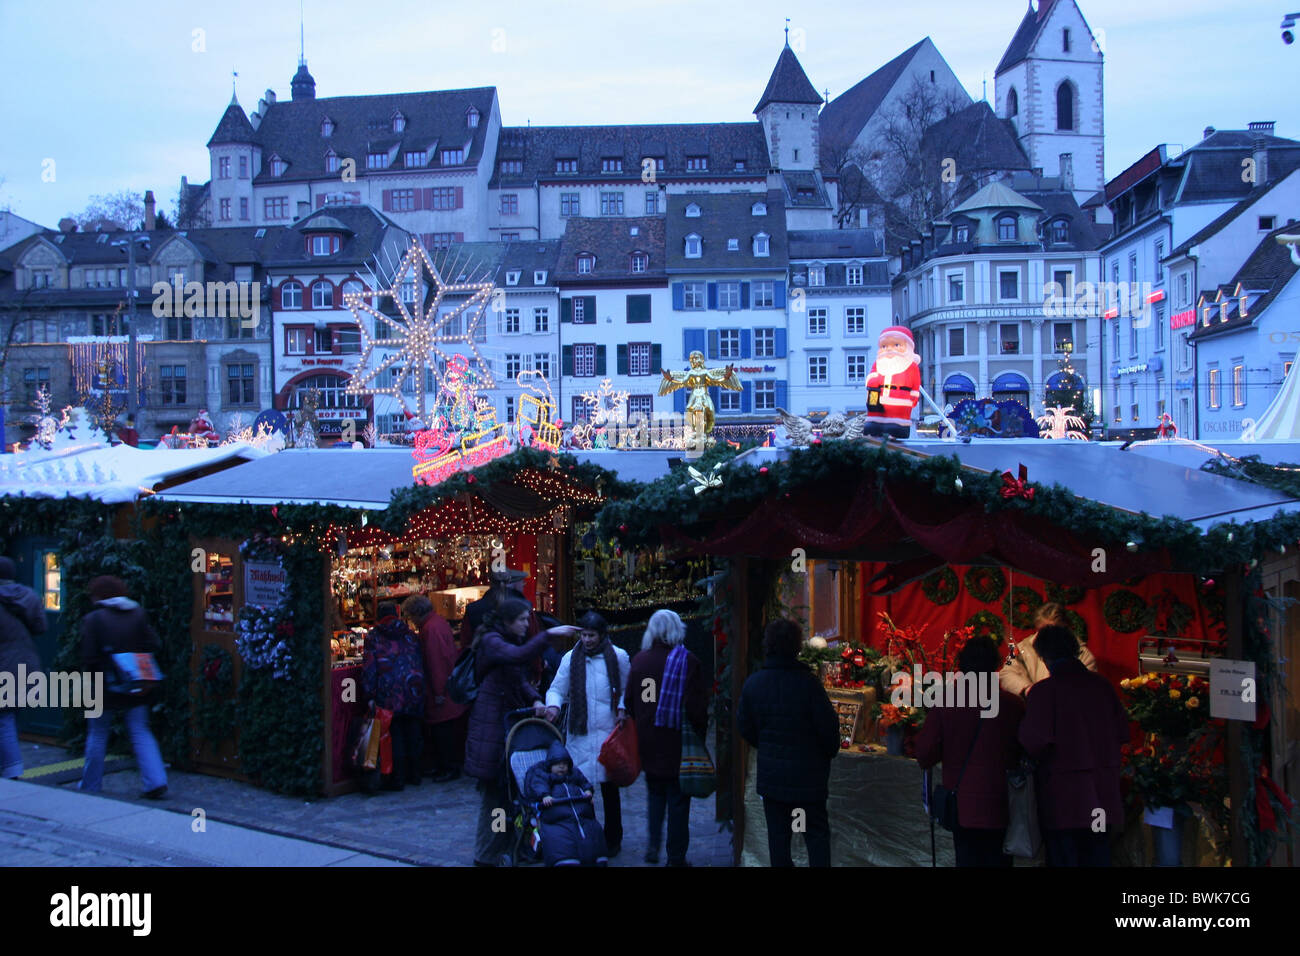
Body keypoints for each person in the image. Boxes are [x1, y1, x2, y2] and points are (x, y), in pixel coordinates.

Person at [464, 597, 578, 866]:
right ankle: (485, 856)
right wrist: (549, 635)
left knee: (505, 797)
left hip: (503, 725)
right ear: (507, 621)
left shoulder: (505, 641)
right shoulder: (494, 642)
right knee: (494, 798)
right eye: (523, 620)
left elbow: (516, 677)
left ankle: (503, 849)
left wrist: (536, 700)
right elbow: (517, 658)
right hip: (490, 729)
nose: (528, 625)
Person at [1018, 625, 1129, 867]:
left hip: (1063, 800)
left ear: (1044, 656)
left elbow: (1033, 742)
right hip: (1100, 797)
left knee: (1064, 857)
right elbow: (1123, 732)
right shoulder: (1102, 687)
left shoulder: (1044, 692)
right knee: (1097, 853)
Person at [914, 636, 1026, 867]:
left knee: (966, 858)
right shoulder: (1013, 705)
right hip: (1000, 804)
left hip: (962, 804)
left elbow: (924, 753)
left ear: (962, 666)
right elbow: (1026, 750)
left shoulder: (947, 702)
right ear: (995, 665)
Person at [737, 618, 840, 867]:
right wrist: (825, 753)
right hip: (808, 782)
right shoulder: (809, 684)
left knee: (779, 842)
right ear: (796, 646)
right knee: (814, 839)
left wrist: (769, 747)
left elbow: (745, 727)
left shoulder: (754, 684)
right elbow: (829, 730)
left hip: (775, 782)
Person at [623, 608, 708, 866]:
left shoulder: (640, 661)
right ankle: (676, 856)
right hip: (678, 740)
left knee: (655, 794)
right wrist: (700, 737)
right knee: (679, 800)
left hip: (649, 738)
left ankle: (652, 846)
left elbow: (629, 703)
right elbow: (696, 706)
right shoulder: (688, 660)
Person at [543, 610, 630, 856]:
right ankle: (588, 835)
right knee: (582, 790)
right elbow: (557, 689)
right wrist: (553, 705)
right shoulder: (570, 659)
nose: (588, 640)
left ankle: (613, 839)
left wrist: (623, 707)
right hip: (580, 733)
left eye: (592, 635)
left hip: (608, 733)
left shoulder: (619, 657)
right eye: (584, 635)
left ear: (602, 635)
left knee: (610, 790)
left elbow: (628, 688)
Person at [78, 576, 167, 798]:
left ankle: (90, 785)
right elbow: (154, 643)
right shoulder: (137, 613)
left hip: (102, 683)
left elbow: (88, 656)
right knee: (140, 730)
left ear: (98, 595)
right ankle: (155, 781)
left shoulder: (94, 619)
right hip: (136, 680)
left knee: (98, 733)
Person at [361, 602, 426, 791]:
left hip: (389, 692)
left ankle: (398, 777)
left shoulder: (374, 637)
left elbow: (370, 668)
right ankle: (415, 774)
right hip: (413, 688)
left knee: (394, 734)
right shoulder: (410, 634)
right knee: (413, 731)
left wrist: (369, 694)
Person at [402, 595, 467, 782]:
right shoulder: (437, 623)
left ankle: (447, 767)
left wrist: (439, 691)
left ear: (417, 613)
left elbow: (435, 661)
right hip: (446, 686)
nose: (411, 621)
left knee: (442, 731)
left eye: (411, 616)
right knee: (445, 730)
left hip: (440, 690)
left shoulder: (429, 630)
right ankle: (446, 766)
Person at [523, 741, 608, 867]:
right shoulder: (543, 776)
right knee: (560, 836)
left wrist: (588, 790)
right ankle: (566, 860)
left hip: (579, 811)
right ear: (550, 766)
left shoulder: (573, 774)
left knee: (592, 829)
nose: (562, 767)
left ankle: (597, 858)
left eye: (564, 764)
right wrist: (545, 795)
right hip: (556, 814)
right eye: (558, 764)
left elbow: (584, 782)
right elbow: (538, 785)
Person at [0, 557, 45, 779]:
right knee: (11, 714)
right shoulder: (29, 596)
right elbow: (41, 626)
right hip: (27, 662)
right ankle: (9, 763)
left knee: (4, 716)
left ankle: (12, 769)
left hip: (4, 664)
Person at [1000, 602, 1098, 698]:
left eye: (1055, 631)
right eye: (1044, 631)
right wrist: (1028, 689)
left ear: (1065, 628)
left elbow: (1084, 691)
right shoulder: (1023, 648)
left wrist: (1046, 693)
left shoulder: (1083, 655)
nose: (1050, 636)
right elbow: (1005, 674)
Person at [459, 568, 533, 648]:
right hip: (520, 656)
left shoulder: (473, 608)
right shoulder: (524, 606)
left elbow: (465, 643)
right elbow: (533, 636)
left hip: (483, 657)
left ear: (490, 582)